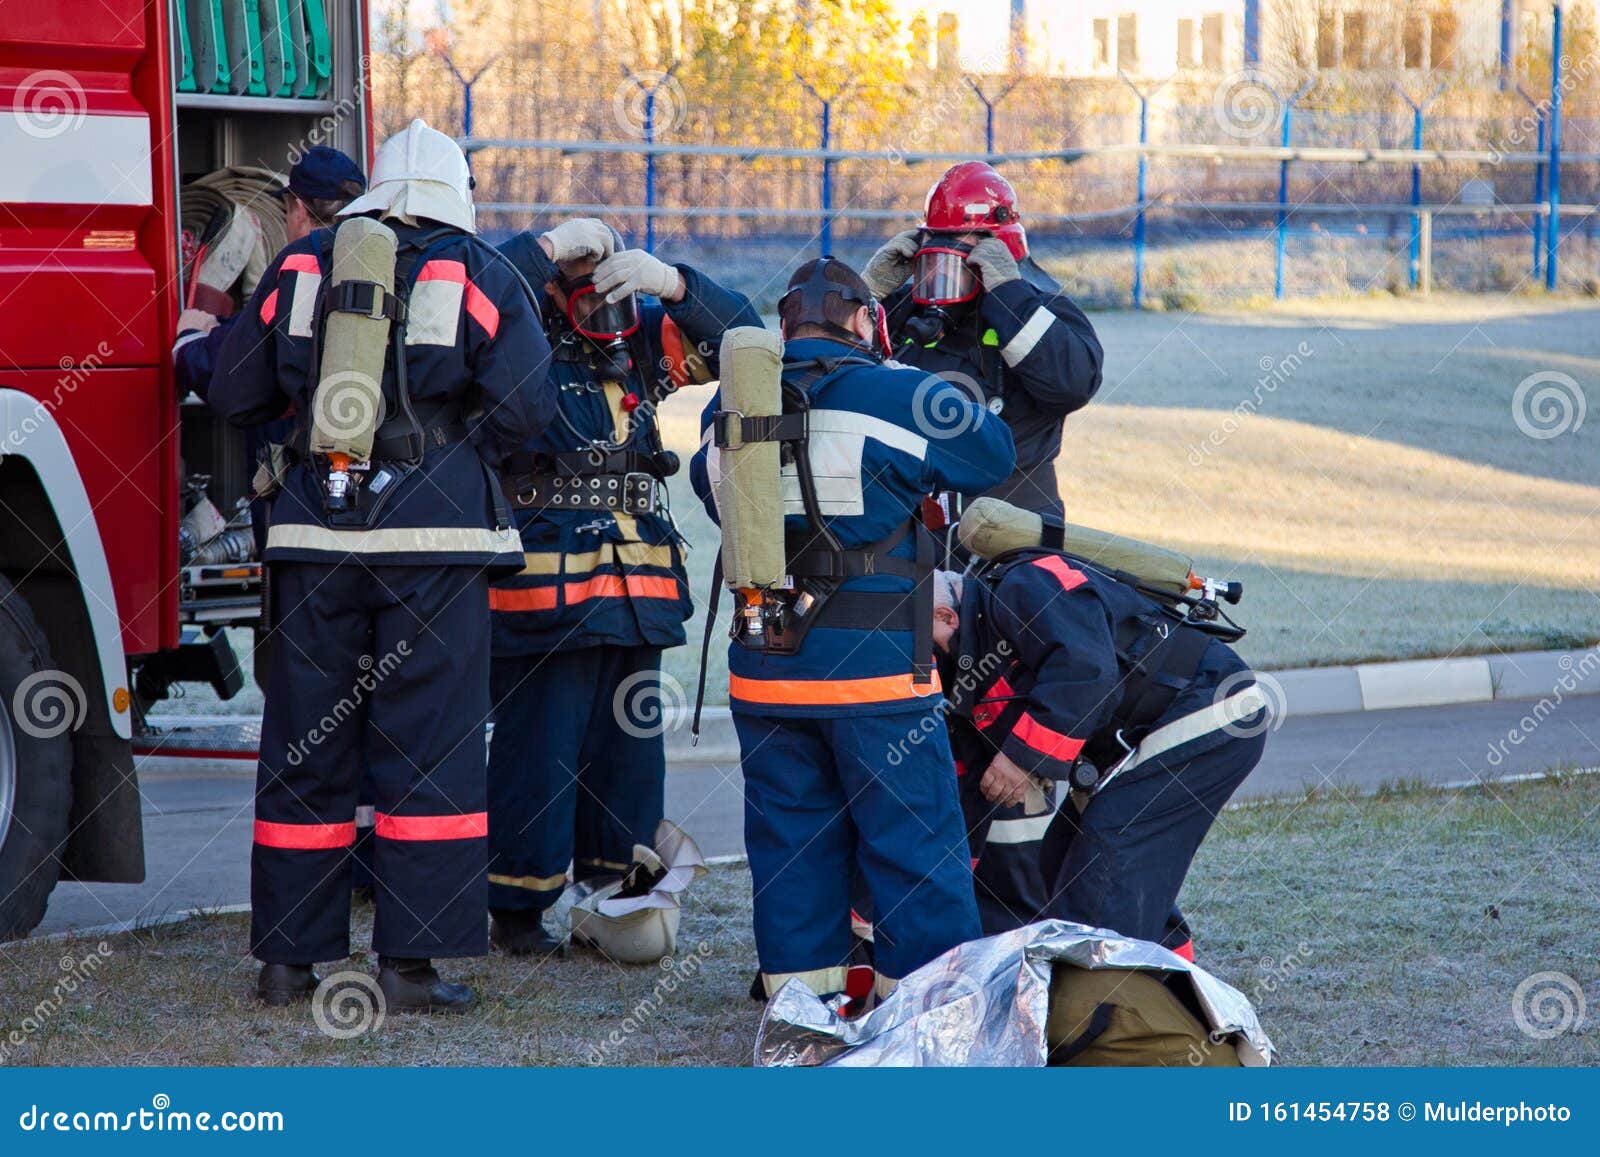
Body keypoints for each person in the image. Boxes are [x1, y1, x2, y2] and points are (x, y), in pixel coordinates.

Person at [210, 119, 556, 1012]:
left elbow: (236, 388)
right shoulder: (479, 270)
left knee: (304, 743)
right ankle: (411, 965)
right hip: (435, 551)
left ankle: (287, 961)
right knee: (428, 747)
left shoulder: (305, 262)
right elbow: (525, 411)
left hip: (311, 538)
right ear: (453, 193)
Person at [690, 258, 1015, 1002]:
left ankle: (805, 1012)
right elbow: (992, 452)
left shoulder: (726, 408)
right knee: (913, 846)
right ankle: (926, 1009)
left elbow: (720, 504)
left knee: (791, 848)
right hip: (875, 672)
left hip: (765, 667)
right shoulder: (895, 393)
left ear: (785, 327)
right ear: (866, 321)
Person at [483, 221, 760, 954]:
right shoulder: (512, 333)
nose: (599, 307)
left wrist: (673, 284)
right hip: (549, 596)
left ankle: (619, 897)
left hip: (636, 595)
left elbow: (749, 341)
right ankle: (517, 910)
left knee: (630, 757)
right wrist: (542, 248)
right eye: (581, 284)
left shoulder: (637, 344)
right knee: (537, 753)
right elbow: (472, 290)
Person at [863, 161, 1105, 928]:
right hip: (923, 572)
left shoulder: (1035, 309)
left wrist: (1007, 286)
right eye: (939, 251)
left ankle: (1018, 923)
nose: (951, 270)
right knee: (922, 748)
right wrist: (878, 299)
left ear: (1000, 246)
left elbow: (1072, 378)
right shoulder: (913, 318)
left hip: (1013, 573)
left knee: (1010, 759)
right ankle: (911, 927)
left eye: (964, 250)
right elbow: (842, 380)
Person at [931, 557, 1268, 955]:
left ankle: (1101, 1011)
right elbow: (971, 785)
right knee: (1063, 863)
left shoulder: (1023, 585)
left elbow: (1086, 671)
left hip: (1211, 706)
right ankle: (1173, 995)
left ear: (945, 615)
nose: (917, 665)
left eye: (913, 645)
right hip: (1138, 736)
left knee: (1106, 862)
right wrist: (945, 886)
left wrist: (1021, 757)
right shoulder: (963, 672)